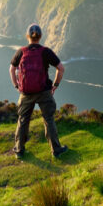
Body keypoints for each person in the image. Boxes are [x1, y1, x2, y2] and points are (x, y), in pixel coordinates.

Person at [9, 23, 68, 159]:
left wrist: (17, 86)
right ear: (40, 36)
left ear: (27, 36)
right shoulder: (45, 51)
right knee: (48, 119)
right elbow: (61, 68)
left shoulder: (21, 52)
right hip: (44, 92)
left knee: (23, 120)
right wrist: (55, 85)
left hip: (26, 93)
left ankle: (19, 150)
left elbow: (11, 69)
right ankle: (56, 150)